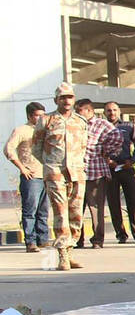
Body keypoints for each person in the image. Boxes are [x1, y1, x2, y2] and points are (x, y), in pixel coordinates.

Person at [33, 82, 88, 270]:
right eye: (62, 97)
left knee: (76, 214)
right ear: (56, 99)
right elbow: (36, 149)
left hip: (77, 172)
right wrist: (50, 165)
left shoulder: (80, 121)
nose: (66, 100)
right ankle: (62, 254)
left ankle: (70, 250)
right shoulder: (46, 120)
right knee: (60, 213)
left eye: (69, 97)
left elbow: (83, 146)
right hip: (55, 172)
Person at [75, 98, 123, 250]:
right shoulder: (75, 124)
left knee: (95, 208)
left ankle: (97, 239)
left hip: (95, 172)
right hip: (77, 172)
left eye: (79, 111)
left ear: (89, 111)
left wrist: (106, 150)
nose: (76, 114)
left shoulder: (101, 124)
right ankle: (77, 239)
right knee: (76, 208)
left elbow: (117, 137)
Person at [4, 101, 49, 253]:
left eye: (43, 115)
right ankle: (31, 242)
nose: (41, 118)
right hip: (31, 176)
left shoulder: (46, 130)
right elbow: (8, 149)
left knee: (44, 211)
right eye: (38, 116)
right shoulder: (21, 130)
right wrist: (22, 168)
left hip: (46, 175)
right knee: (30, 210)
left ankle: (43, 239)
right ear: (30, 116)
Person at [103, 102, 135, 244]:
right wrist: (108, 161)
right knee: (114, 204)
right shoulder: (101, 128)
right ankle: (120, 234)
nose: (112, 113)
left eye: (114, 110)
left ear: (119, 111)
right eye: (109, 110)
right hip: (109, 170)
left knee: (133, 202)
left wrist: (132, 160)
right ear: (105, 112)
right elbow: (96, 148)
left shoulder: (128, 126)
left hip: (126, 168)